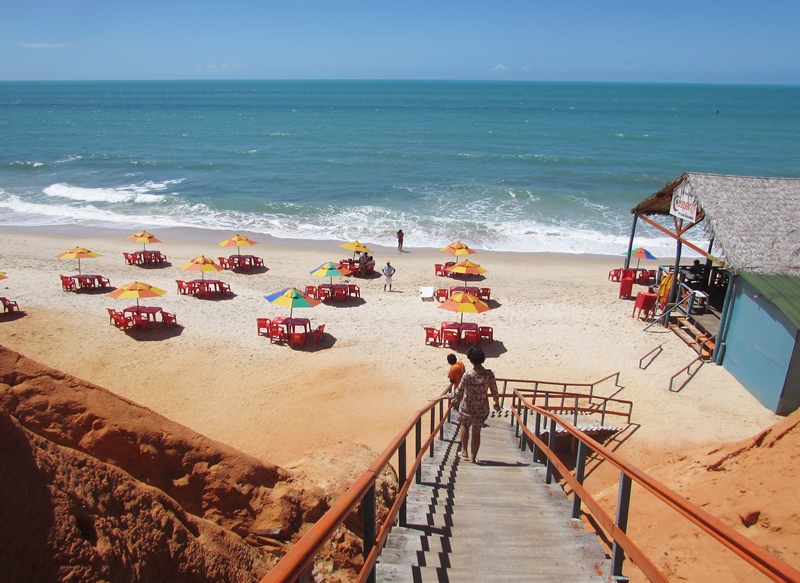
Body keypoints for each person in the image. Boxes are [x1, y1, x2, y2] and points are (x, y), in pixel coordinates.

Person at [449, 345, 500, 464]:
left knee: (465, 426)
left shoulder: (467, 375)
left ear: (471, 359)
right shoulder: (489, 374)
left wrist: (448, 396)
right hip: (481, 408)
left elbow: (458, 392)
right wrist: (496, 403)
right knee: (477, 432)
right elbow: (494, 391)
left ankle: (464, 451)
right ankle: (473, 457)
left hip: (467, 407)